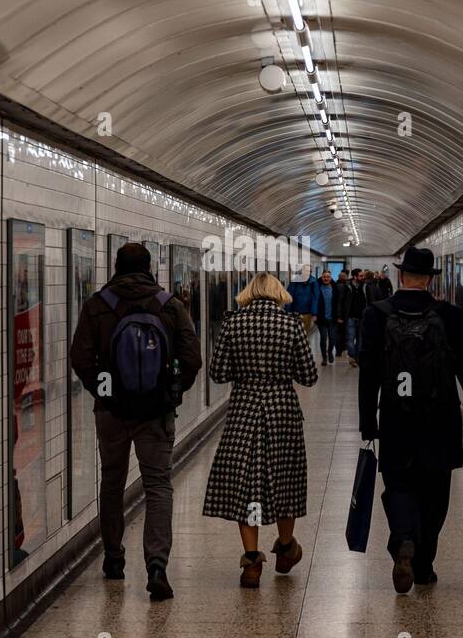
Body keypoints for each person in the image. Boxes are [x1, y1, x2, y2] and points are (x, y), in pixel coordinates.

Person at [358, 247, 463, 593]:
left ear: (401, 276)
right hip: (439, 421)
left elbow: (369, 374)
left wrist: (367, 423)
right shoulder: (448, 315)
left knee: (401, 485)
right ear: (429, 278)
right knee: (435, 494)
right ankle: (423, 566)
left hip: (395, 420)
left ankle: (404, 538)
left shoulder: (376, 314)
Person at [70, 242, 201, 600]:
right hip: (156, 414)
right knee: (158, 485)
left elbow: (80, 359)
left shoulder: (98, 305)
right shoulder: (169, 305)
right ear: (149, 268)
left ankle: (114, 559)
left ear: (116, 265)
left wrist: (105, 390)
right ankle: (156, 566)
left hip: (111, 413)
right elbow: (192, 358)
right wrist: (172, 392)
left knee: (112, 480)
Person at [204, 273, 318, 587]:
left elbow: (218, 372)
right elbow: (308, 376)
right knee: (285, 479)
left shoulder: (232, 324)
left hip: (244, 409)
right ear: (278, 293)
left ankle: (252, 562)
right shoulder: (291, 324)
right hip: (282, 411)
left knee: (247, 483)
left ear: (248, 294)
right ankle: (285, 546)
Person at [310, 270, 336, 365]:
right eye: (324, 277)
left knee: (333, 338)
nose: (326, 278)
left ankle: (330, 352)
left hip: (332, 318)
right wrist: (314, 314)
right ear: (322, 277)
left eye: (328, 277)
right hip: (321, 318)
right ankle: (324, 358)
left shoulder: (334, 287)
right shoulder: (317, 287)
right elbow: (314, 301)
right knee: (323, 338)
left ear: (331, 278)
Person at [345, 268, 368, 367]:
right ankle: (352, 355)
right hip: (350, 317)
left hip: (362, 318)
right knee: (350, 340)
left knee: (360, 340)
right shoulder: (347, 287)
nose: (363, 277)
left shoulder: (365, 287)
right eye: (361, 276)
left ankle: (356, 358)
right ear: (355, 277)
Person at [287, 263, 317, 336]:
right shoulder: (295, 282)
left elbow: (315, 298)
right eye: (305, 271)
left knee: (305, 334)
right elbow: (289, 296)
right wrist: (288, 311)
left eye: (308, 271)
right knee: (294, 333)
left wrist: (314, 313)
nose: (306, 273)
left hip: (307, 313)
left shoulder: (313, 282)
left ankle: (305, 346)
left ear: (310, 272)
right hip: (295, 313)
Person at [333, 270, 352, 358]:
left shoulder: (338, 286)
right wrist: (339, 316)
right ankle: (339, 350)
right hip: (342, 314)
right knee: (340, 333)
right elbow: (339, 302)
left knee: (341, 332)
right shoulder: (342, 287)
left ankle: (341, 349)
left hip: (343, 314)